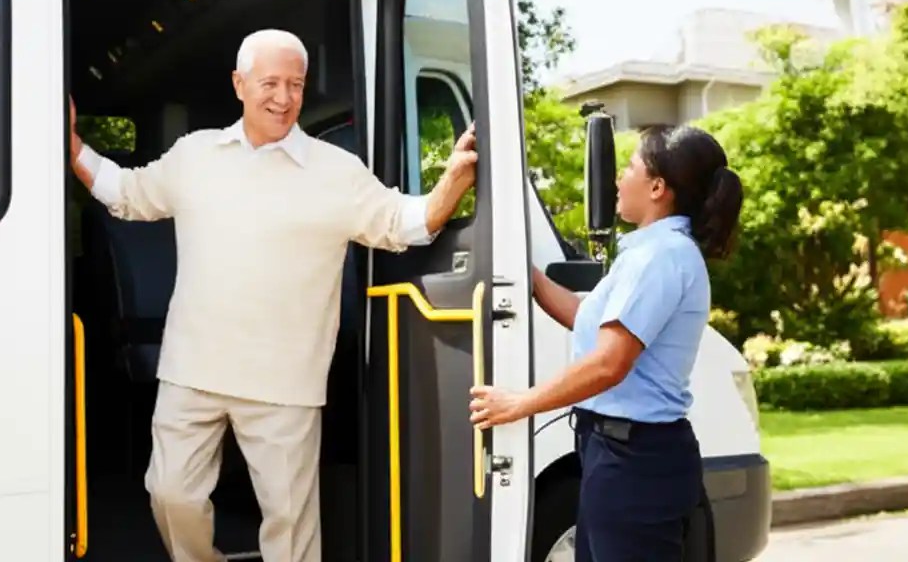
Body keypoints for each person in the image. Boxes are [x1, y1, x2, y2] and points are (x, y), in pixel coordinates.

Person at [70, 28, 477, 562]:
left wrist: (451, 182)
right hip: (193, 369)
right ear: (239, 85)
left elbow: (402, 224)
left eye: (296, 85)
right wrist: (72, 145)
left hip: (286, 382)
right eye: (269, 83)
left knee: (290, 530)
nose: (283, 98)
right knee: (170, 494)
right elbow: (125, 194)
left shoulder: (336, 172)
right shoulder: (195, 156)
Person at [468, 124, 743, 561]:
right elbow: (588, 320)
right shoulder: (646, 253)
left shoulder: (662, 257)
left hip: (636, 463)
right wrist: (525, 272)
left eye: (630, 166)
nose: (618, 179)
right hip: (619, 456)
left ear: (657, 187)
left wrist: (519, 403)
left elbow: (608, 363)